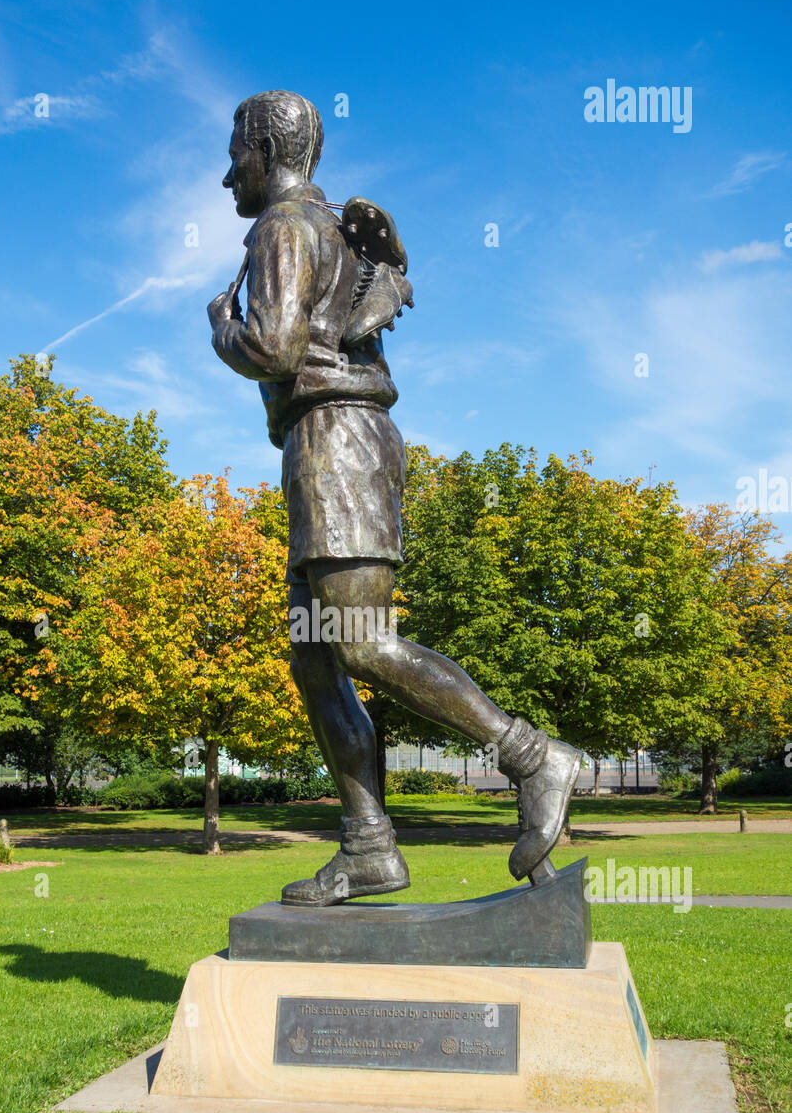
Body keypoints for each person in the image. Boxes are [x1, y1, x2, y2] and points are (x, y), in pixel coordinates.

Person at [208, 90, 579, 906]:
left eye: (235, 151)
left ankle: (531, 756)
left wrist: (221, 331)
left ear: (268, 149)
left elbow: (271, 345)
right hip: (323, 448)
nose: (226, 170)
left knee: (361, 642)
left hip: (339, 447)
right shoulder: (333, 228)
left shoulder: (283, 228)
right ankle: (369, 848)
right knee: (316, 659)